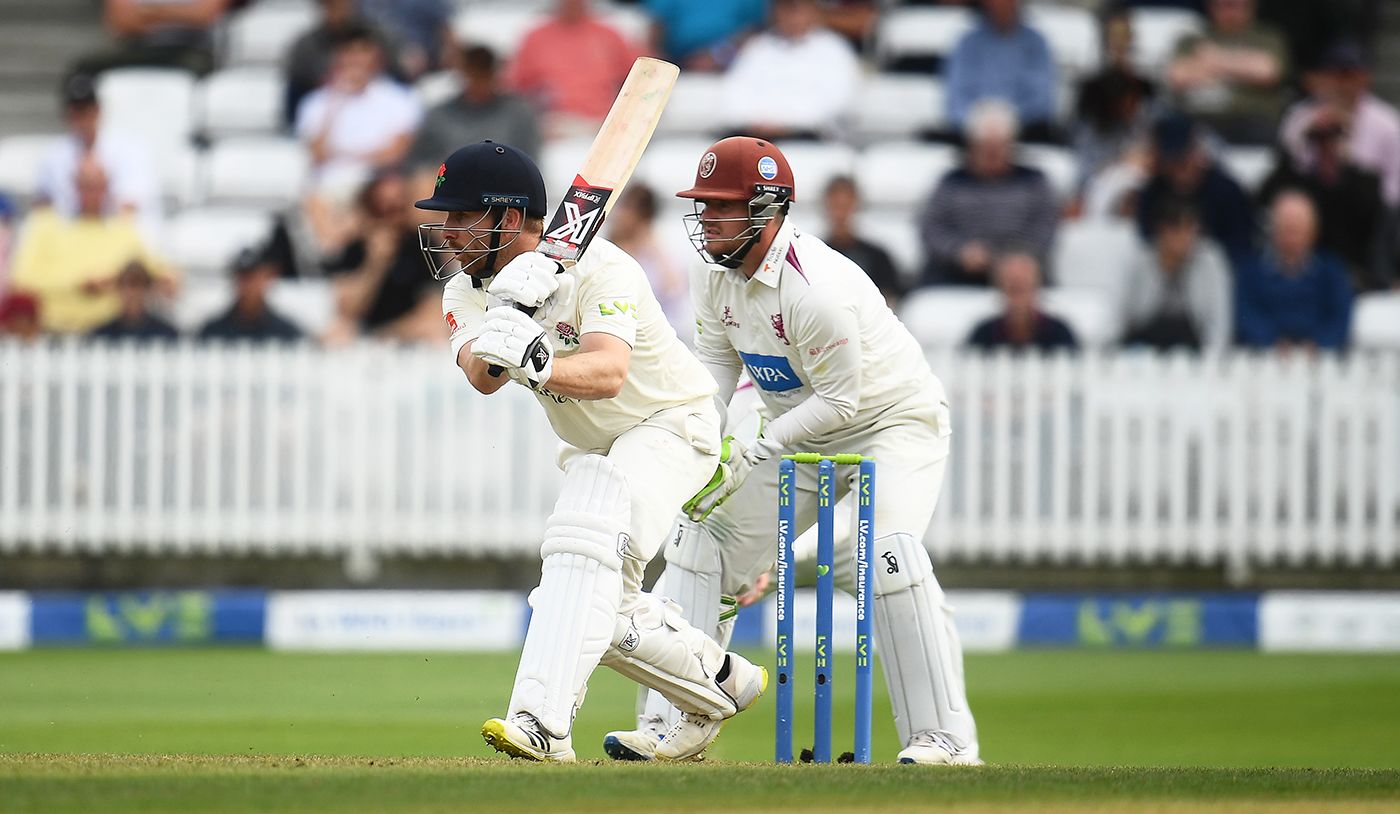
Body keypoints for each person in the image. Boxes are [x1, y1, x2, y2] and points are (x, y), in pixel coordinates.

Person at [605, 137, 979, 765]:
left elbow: (842, 403)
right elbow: (718, 376)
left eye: (723, 208)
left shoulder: (817, 289)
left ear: (769, 209)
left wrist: (760, 445)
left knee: (885, 557)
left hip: (890, 424)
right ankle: (682, 717)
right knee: (702, 536)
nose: (706, 221)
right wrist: (703, 446)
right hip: (789, 418)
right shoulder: (710, 272)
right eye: (703, 207)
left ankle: (944, 739)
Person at [418, 141, 766, 762]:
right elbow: (481, 374)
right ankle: (722, 683)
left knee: (581, 548)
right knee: (587, 598)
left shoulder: (604, 267)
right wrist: (507, 313)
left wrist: (540, 358)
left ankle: (542, 725)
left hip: (671, 425)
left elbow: (608, 372)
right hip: (595, 446)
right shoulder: (465, 292)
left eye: (459, 216)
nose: (445, 231)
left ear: (507, 218)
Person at [10, 155, 173, 335]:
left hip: (109, 335)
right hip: (55, 332)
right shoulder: (45, 225)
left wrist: (168, 278)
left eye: (99, 187)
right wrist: (78, 284)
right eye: (86, 186)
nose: (93, 193)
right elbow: (23, 280)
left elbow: (154, 268)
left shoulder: (123, 228)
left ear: (107, 189)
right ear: (74, 187)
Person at [918, 99, 1059, 287]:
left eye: (999, 147)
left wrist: (1012, 257)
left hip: (1020, 272)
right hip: (957, 272)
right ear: (972, 146)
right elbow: (932, 228)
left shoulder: (1033, 182)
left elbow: (1045, 227)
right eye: (985, 148)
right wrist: (960, 252)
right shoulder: (951, 183)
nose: (992, 155)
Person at [1259, 104, 1387, 291]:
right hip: (1307, 272)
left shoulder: (1366, 182)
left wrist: (1346, 157)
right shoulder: (1300, 181)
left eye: (1335, 135)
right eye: (1318, 138)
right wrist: (1300, 140)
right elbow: (1265, 195)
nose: (1327, 145)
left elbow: (1374, 227)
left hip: (1354, 273)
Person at [321, 168, 444, 344]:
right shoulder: (355, 247)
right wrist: (376, 263)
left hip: (403, 330)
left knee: (434, 326)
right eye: (382, 209)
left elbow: (431, 303)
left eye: (398, 208)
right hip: (361, 331)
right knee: (338, 332)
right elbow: (348, 309)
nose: (391, 219)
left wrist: (387, 333)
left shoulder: (420, 244)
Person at [36, 73, 162, 244]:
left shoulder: (130, 149)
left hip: (115, 242)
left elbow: (130, 209)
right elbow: (43, 208)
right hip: (67, 242)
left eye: (86, 110)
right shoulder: (53, 155)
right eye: (76, 111)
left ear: (98, 110)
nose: (82, 118)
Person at [295, 24, 422, 194]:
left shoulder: (401, 99)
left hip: (375, 185)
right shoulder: (316, 101)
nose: (356, 59)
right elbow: (317, 153)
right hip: (329, 186)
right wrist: (336, 101)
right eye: (349, 52)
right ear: (338, 57)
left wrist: (342, 156)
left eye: (363, 51)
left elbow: (395, 154)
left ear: (378, 57)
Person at [1279, 41, 1400, 209]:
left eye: (1349, 75)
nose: (1343, 84)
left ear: (1365, 77)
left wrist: (1347, 151)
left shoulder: (1387, 122)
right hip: (1313, 208)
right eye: (1335, 74)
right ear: (1323, 77)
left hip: (1368, 213)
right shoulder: (1300, 117)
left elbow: (1394, 189)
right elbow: (1291, 174)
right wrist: (1315, 136)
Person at [719, 0, 861, 142]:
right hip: (754, 133)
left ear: (814, 11)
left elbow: (837, 100)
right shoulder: (759, 47)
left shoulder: (834, 49)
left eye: (799, 10)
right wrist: (757, 120)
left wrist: (784, 122)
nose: (793, 16)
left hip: (810, 138)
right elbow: (734, 92)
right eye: (786, 9)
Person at [1236, 192, 1353, 352]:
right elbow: (1246, 314)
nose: (1291, 238)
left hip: (1320, 359)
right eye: (1286, 229)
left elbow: (1340, 316)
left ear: (1313, 233)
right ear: (1273, 231)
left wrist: (1319, 343)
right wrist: (1271, 342)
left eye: (1297, 230)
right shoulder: (1251, 270)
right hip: (1264, 358)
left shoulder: (1330, 270)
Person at [507, 0, 641, 139]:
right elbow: (515, 86)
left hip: (603, 125)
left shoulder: (610, 35)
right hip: (553, 127)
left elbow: (641, 76)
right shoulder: (535, 38)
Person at [1134, 113, 1255, 266]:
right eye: (1172, 160)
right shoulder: (1152, 192)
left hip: (1219, 276)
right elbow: (1146, 244)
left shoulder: (1228, 192)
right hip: (1164, 274)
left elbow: (1242, 250)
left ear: (1196, 150)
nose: (1179, 167)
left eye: (1184, 157)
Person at [1165, 0, 1289, 144]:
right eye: (1222, 5)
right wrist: (1242, 67)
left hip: (1249, 118)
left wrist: (1214, 60)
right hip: (1197, 117)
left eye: (1235, 5)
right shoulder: (1192, 37)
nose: (1229, 11)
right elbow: (1178, 77)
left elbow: (1268, 72)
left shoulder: (1267, 37)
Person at [408, 45, 542, 175]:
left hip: (501, 182)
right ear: (464, 73)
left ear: (494, 75)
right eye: (474, 73)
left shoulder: (518, 113)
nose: (479, 81)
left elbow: (528, 162)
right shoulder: (440, 115)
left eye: (484, 74)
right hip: (450, 182)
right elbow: (421, 159)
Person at [1122, 201, 1233, 352]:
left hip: (1194, 347)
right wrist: (1163, 267)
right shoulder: (1142, 261)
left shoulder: (1210, 262)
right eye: (1177, 230)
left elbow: (1219, 320)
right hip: (1146, 346)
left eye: (1191, 230)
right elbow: (1130, 317)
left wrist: (1213, 357)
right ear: (1161, 231)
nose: (1185, 238)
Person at [943, 0, 1057, 142]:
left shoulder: (1036, 43)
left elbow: (1041, 100)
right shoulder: (967, 43)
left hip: (1024, 134)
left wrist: (1007, 124)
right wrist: (981, 124)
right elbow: (955, 99)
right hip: (971, 136)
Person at [1072, 6, 1156, 192]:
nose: (1119, 44)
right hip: (1102, 174)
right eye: (1113, 36)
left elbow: (1154, 137)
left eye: (1124, 36)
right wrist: (1121, 162)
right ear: (1104, 41)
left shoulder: (1147, 87)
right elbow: (1084, 157)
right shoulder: (1090, 90)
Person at [604, 184, 692, 339]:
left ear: (644, 218)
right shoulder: (604, 250)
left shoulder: (659, 254)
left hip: (651, 336)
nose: (619, 214)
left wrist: (652, 244)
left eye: (627, 208)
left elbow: (674, 295)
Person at [79, 0, 230, 76]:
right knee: (85, 70)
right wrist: (181, 14)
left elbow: (205, 16)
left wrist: (149, 13)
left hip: (192, 50)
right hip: (139, 48)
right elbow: (120, 21)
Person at [967, 252, 1077, 351]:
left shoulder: (1059, 333)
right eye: (1012, 286)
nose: (1017, 285)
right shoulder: (983, 334)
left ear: (1037, 284)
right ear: (999, 287)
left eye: (1024, 284)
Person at [822, 176, 903, 308]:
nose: (840, 214)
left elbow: (890, 297)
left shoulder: (878, 257)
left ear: (856, 205)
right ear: (826, 206)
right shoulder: (811, 255)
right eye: (836, 205)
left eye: (845, 205)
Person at [197, 248, 303, 342]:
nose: (248, 285)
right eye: (242, 277)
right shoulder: (212, 332)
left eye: (252, 277)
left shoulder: (287, 332)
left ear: (266, 278)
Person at [644, 0, 767, 70]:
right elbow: (657, 27)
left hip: (733, 69)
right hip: (677, 66)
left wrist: (719, 55)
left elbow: (756, 29)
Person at [90, 261, 179, 341]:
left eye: (136, 285)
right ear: (118, 289)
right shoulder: (101, 335)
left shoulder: (166, 334)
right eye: (124, 285)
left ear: (147, 289)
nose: (131, 293)